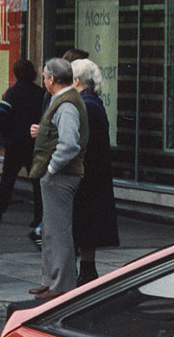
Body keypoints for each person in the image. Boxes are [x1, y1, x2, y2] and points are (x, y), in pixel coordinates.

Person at [27, 57, 88, 300]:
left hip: (62, 175)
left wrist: (51, 169)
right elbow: (60, 135)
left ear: (51, 78)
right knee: (51, 231)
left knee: (59, 231)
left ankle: (61, 285)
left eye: (44, 76)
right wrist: (41, 131)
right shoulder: (62, 101)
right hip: (58, 175)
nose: (43, 80)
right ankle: (51, 280)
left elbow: (69, 144)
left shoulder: (66, 105)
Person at [70, 58, 119, 285]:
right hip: (93, 174)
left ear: (77, 80)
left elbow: (81, 141)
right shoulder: (91, 102)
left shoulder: (85, 105)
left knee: (83, 224)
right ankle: (86, 269)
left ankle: (85, 271)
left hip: (87, 175)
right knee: (85, 225)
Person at [0, 59, 45, 226]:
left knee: (8, 179)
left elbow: (1, 118)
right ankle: (39, 217)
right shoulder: (40, 93)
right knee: (37, 181)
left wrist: (7, 134)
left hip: (14, 143)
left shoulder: (12, 93)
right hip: (34, 143)